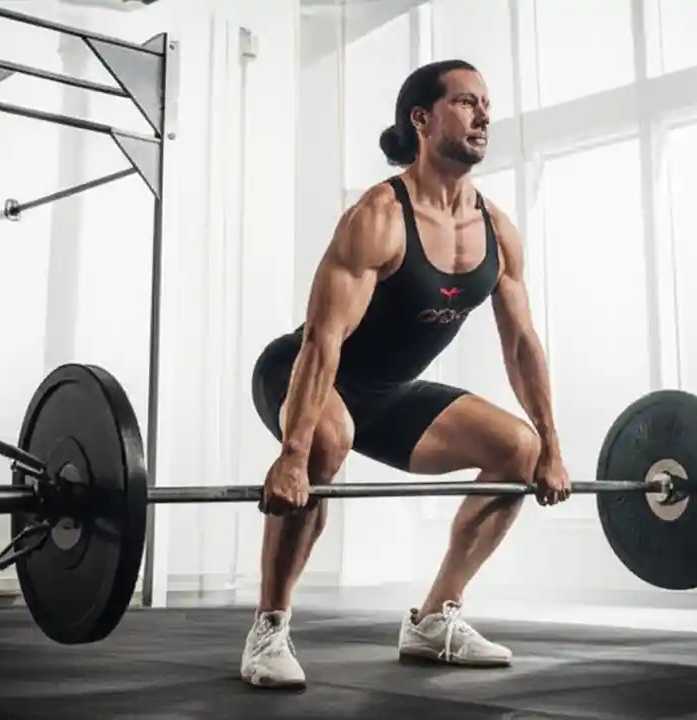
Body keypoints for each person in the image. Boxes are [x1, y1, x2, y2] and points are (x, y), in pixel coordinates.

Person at [242, 59, 571, 689]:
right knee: (326, 439)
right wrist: (291, 452)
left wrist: (553, 442)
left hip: (387, 395)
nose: (483, 116)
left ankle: (432, 619)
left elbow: (522, 343)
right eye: (466, 102)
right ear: (422, 119)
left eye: (485, 105)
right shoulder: (379, 216)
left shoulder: (498, 231)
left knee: (518, 449)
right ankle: (269, 627)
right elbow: (323, 338)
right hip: (304, 370)